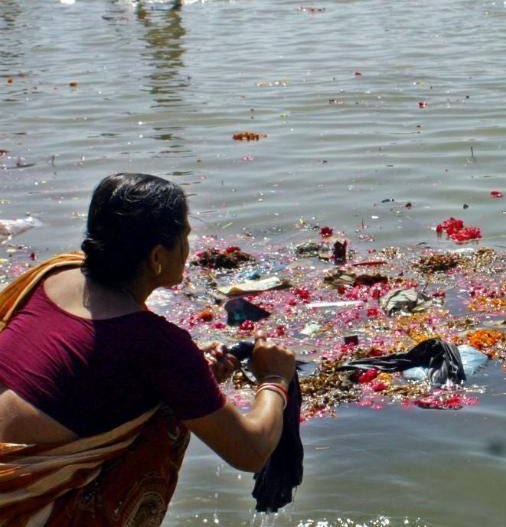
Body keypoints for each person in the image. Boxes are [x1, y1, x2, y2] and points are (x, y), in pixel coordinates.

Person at [0, 173, 295, 524]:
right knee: (166, 415)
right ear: (157, 256)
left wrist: (188, 369)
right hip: (16, 505)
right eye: (185, 237)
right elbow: (250, 451)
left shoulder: (55, 274)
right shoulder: (159, 346)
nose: (188, 248)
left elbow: (97, 358)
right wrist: (275, 379)